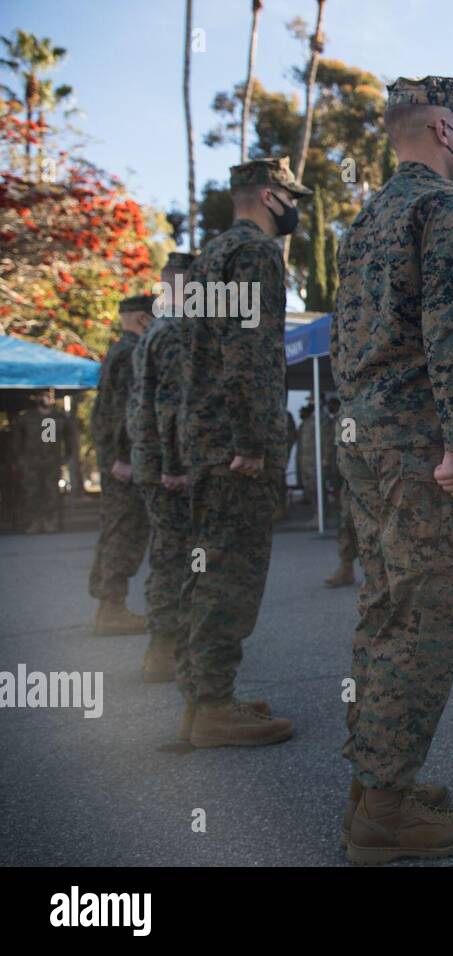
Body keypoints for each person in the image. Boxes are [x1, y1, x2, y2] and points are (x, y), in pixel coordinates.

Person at [331, 75, 453, 864]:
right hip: (421, 446)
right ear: (441, 127)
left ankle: (374, 782)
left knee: (384, 610)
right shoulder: (451, 208)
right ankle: (387, 812)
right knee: (425, 622)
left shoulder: (363, 222)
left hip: (366, 441)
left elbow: (349, 341)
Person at [177, 156, 308, 748]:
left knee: (207, 569)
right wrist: (254, 442)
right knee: (230, 573)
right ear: (266, 194)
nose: (295, 207)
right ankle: (212, 708)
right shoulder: (254, 253)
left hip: (206, 438)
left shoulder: (210, 254)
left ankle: (208, 696)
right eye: (290, 195)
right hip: (235, 447)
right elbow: (248, 352)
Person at [128, 251, 194, 681]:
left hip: (149, 461)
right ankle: (163, 652)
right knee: (173, 558)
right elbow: (171, 406)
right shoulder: (173, 332)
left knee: (165, 554)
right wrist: (175, 465)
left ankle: (162, 648)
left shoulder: (155, 330)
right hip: (166, 467)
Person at [88, 295, 153, 635]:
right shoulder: (132, 353)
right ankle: (111, 609)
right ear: (143, 319)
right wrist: (124, 456)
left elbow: (102, 414)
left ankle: (107, 604)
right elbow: (131, 411)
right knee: (126, 529)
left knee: (114, 526)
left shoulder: (116, 350)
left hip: (112, 457)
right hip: (124, 461)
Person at [11, 388, 70, 534]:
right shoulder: (26, 418)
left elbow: (69, 440)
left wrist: (66, 457)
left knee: (52, 493)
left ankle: (51, 522)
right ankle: (33, 523)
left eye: (48, 396)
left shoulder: (59, 417)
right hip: (31, 463)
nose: (46, 398)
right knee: (32, 493)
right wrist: (19, 459)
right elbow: (17, 441)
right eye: (42, 395)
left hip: (52, 462)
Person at [325, 404, 357, 588]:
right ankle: (346, 568)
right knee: (347, 523)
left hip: (382, 474)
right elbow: (346, 448)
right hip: (353, 479)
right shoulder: (349, 408)